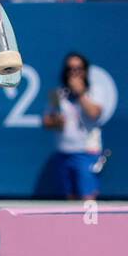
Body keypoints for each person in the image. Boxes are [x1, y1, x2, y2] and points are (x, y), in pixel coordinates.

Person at [42, 53, 109, 201]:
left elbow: (94, 113)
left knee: (88, 199)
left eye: (78, 68)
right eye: (70, 69)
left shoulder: (95, 91)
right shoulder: (58, 94)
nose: (74, 73)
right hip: (63, 153)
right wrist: (56, 121)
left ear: (85, 71)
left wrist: (80, 93)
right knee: (69, 199)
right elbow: (47, 121)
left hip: (87, 153)